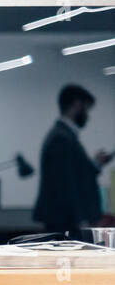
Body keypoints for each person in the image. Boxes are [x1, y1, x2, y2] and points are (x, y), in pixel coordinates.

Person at [32, 84, 112, 234]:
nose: (88, 116)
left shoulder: (64, 135)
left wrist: (95, 165)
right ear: (77, 105)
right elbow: (66, 184)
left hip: (66, 219)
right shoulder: (62, 138)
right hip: (66, 221)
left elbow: (74, 175)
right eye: (86, 109)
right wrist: (81, 220)